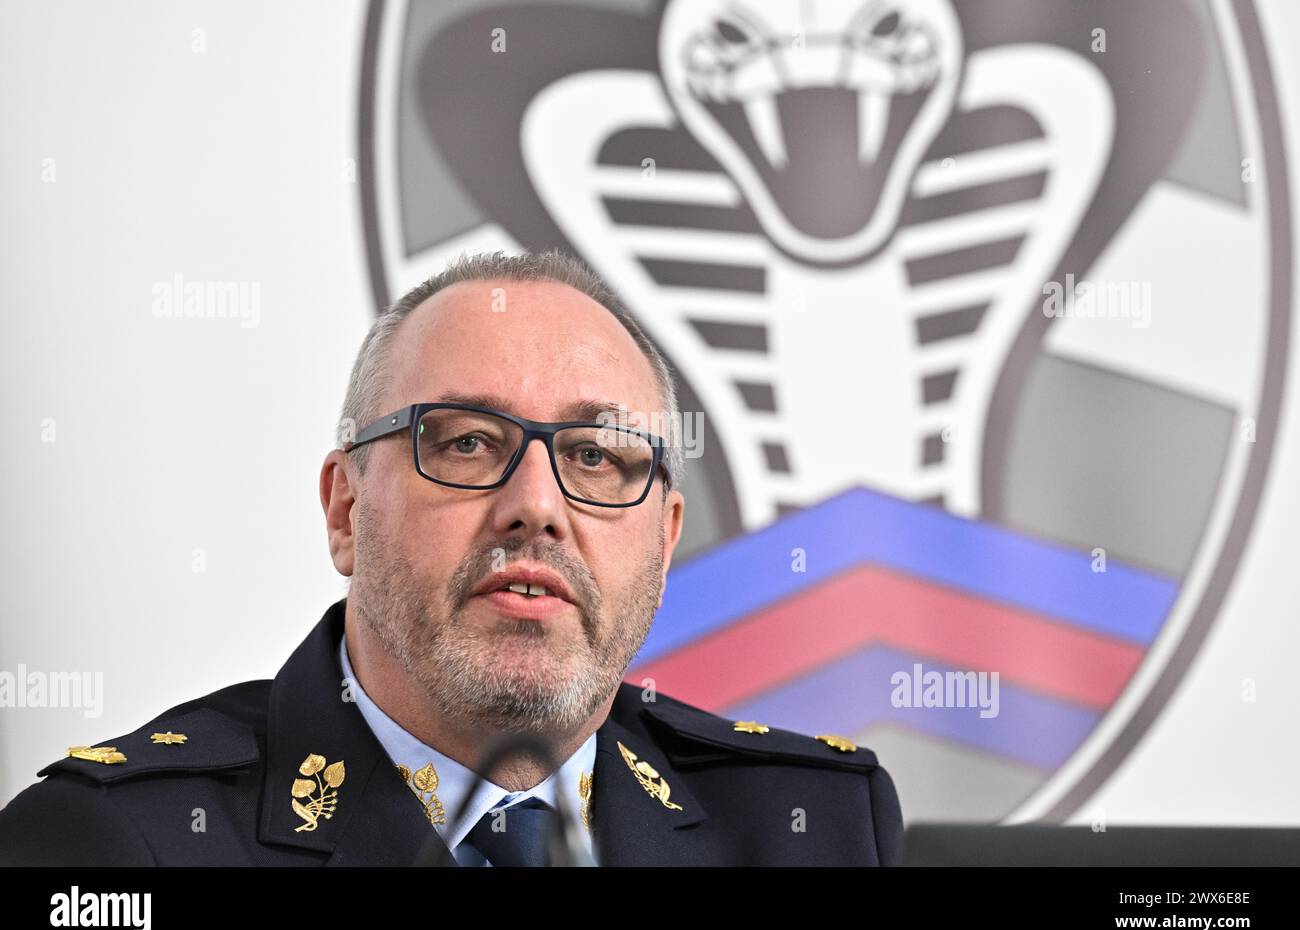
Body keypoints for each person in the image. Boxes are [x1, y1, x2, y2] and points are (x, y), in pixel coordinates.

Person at [0, 250, 903, 866]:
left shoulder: (816, 827)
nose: (538, 507)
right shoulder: (117, 843)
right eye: (468, 442)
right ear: (346, 509)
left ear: (664, 543)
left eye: (595, 455)